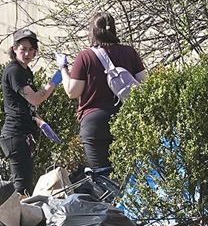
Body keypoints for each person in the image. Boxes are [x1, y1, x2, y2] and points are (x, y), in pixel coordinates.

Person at [57, 11, 146, 170]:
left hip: (95, 123)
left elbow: (72, 92)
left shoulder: (85, 56)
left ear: (92, 31)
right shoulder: (130, 52)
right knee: (128, 175)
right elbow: (145, 84)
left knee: (102, 177)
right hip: (126, 120)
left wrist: (63, 68)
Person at [0, 28, 61, 194]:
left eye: (31, 50)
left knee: (25, 185)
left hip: (23, 134)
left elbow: (27, 105)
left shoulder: (25, 71)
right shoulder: (14, 71)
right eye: (23, 49)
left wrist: (40, 122)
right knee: (22, 188)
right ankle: (14, 219)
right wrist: (56, 79)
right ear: (14, 49)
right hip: (15, 135)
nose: (27, 53)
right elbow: (35, 99)